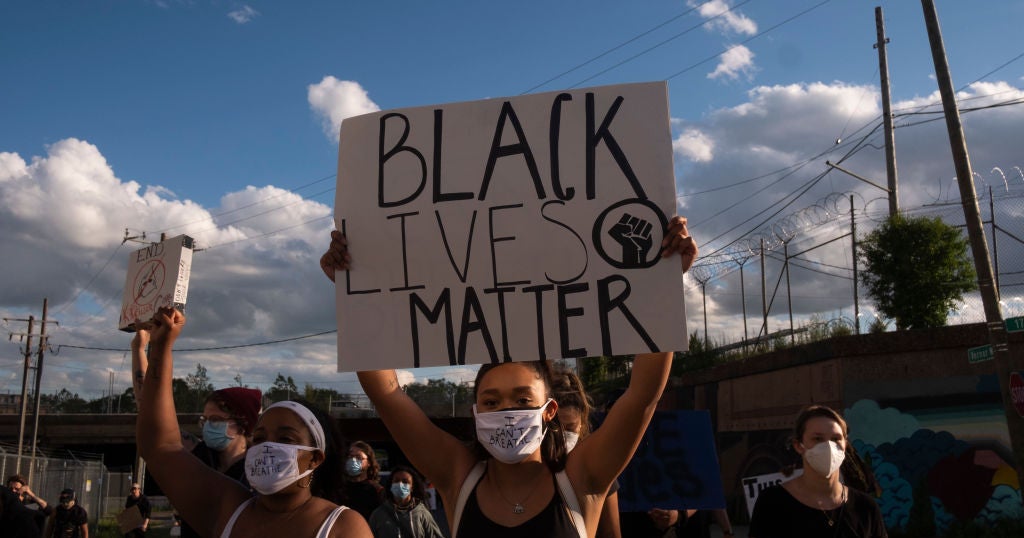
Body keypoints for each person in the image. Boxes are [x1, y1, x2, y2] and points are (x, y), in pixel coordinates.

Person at [321, 215, 698, 538]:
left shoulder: (582, 478)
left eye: (521, 400)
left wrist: (665, 280)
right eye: (491, 401)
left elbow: (642, 395)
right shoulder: (458, 476)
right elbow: (387, 395)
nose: (505, 410)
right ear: (475, 412)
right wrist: (354, 290)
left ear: (549, 410)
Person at [136, 307, 372, 538]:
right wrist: (160, 348)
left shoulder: (342, 527)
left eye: (285, 439)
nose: (266, 447)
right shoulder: (228, 509)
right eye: (259, 439)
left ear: (315, 458)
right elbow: (161, 446)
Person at [132, 325, 264, 538]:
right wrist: (140, 349)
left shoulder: (258, 469)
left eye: (216, 419)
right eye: (205, 419)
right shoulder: (199, 453)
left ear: (242, 425)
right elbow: (149, 406)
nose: (208, 426)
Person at [749, 405, 888, 538]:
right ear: (798, 446)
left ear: (845, 444)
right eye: (817, 439)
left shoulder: (866, 507)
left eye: (836, 439)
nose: (829, 446)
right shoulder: (773, 502)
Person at [552, 368, 621, 538]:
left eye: (569, 428)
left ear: (582, 423)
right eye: (555, 428)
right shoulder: (529, 469)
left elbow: (611, 533)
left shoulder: (595, 470)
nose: (562, 436)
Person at [368, 465, 446, 538]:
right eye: (396, 481)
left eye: (405, 482)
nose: (400, 484)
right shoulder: (378, 515)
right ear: (391, 484)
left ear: (412, 487)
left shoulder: (422, 513)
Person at [340, 440, 385, 520]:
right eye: (350, 456)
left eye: (358, 457)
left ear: (369, 462)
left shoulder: (377, 490)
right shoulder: (338, 488)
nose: (353, 460)